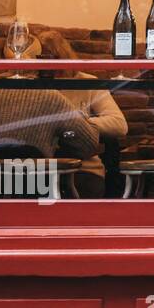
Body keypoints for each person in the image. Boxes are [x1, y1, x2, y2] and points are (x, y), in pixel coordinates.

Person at [34, 30, 128, 198]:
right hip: (39, 169)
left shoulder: (87, 82)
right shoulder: (34, 85)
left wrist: (78, 124)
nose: (49, 68)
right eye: (42, 60)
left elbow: (119, 124)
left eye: (54, 60)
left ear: (64, 58)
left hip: (83, 169)